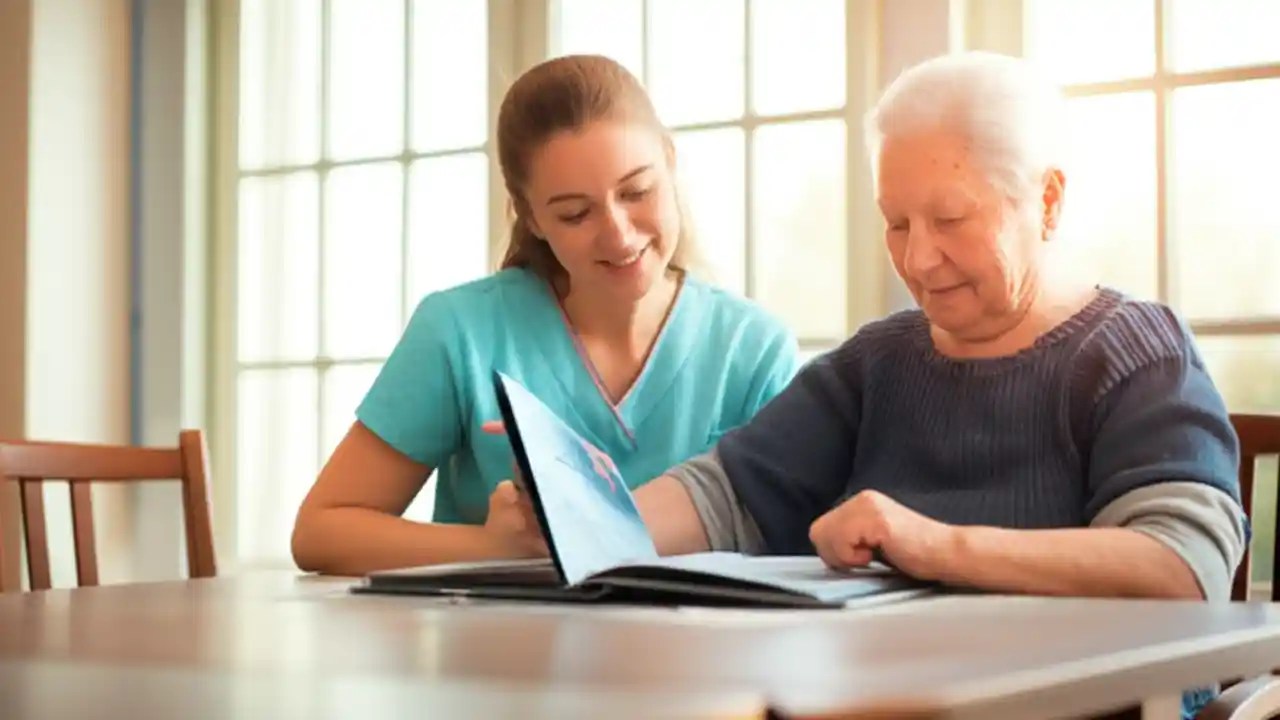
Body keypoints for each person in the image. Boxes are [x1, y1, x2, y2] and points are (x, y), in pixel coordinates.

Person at [489, 51, 1248, 720]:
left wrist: (931, 544)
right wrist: (581, 514)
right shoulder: (878, 362)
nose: (918, 260)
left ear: (1046, 200)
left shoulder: (1137, 353)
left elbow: (1178, 570)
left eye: (950, 218)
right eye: (896, 224)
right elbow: (721, 495)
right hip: (893, 704)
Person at [289, 54, 801, 576]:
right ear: (529, 215)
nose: (619, 235)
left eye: (636, 191)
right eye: (575, 213)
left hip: (703, 654)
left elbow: (799, 541)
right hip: (496, 653)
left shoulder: (754, 351)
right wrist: (496, 548)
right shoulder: (461, 332)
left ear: (670, 161)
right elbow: (321, 530)